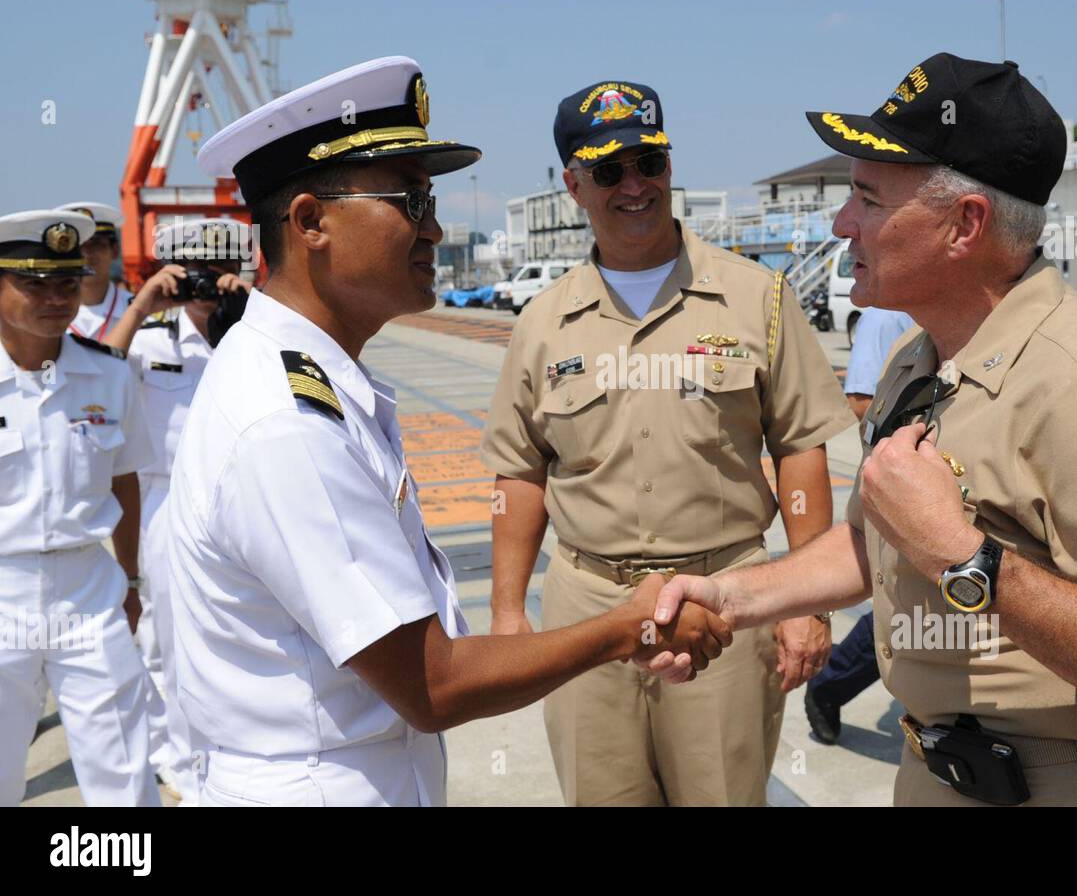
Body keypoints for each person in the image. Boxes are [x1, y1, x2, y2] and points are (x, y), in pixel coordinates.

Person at [650, 53, 1077, 807]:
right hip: (939, 769)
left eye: (868, 198)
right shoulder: (917, 356)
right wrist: (728, 598)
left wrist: (969, 561)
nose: (841, 223)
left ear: (965, 225)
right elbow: (876, 537)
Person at [171, 57, 729, 807]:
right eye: (409, 201)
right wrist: (629, 628)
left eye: (430, 199)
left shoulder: (310, 381)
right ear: (310, 223)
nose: (434, 227)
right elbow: (432, 684)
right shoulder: (285, 424)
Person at [481, 79, 857, 806]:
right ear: (573, 185)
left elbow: (800, 448)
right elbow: (520, 472)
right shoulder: (543, 321)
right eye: (609, 171)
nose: (635, 185)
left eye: (648, 161)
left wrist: (807, 605)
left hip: (726, 602)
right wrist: (505, 614)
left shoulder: (759, 299)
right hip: (587, 610)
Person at [0, 209, 159, 806]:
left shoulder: (109, 375)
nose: (55, 298)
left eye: (66, 282)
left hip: (88, 592)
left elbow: (124, 481)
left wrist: (133, 578)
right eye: (33, 283)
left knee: (122, 767)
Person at [102, 217, 253, 804]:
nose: (206, 285)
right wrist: (140, 306)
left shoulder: (250, 329)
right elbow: (96, 373)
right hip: (165, 500)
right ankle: (177, 760)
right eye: (195, 273)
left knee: (239, 625)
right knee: (162, 637)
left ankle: (233, 748)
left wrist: (246, 314)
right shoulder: (149, 339)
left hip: (241, 500)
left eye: (218, 272)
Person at [804, 307, 916, 743]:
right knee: (908, 604)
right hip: (916, 488)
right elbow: (862, 401)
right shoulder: (886, 315)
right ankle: (830, 684)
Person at [55, 202, 132, 342]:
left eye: (96, 244)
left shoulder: (141, 312)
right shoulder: (47, 313)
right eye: (77, 246)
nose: (86, 253)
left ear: (114, 250)